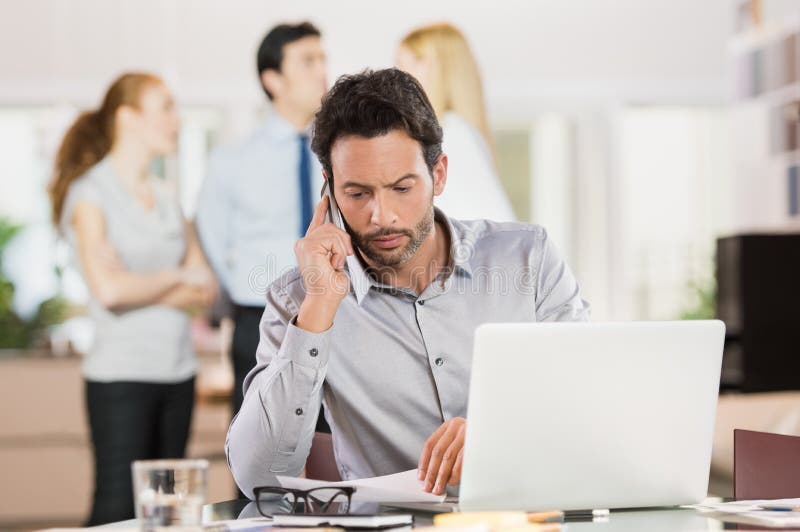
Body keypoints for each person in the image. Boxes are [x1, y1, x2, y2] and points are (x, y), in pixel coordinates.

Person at [225, 68, 589, 499]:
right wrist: (319, 307)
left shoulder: (530, 260)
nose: (382, 216)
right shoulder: (299, 299)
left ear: (439, 175)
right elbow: (259, 479)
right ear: (330, 190)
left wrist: (502, 433)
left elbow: (588, 401)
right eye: (358, 194)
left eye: (401, 187)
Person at [49, 72, 217, 525]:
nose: (177, 120)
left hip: (178, 373)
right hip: (119, 379)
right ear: (127, 117)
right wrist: (174, 277)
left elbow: (203, 287)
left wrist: (140, 283)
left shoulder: (167, 195)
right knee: (116, 509)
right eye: (165, 107)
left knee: (169, 515)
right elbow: (107, 290)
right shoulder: (91, 194)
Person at [196, 22, 329, 423]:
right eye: (307, 61)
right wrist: (251, 285)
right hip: (258, 317)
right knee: (256, 442)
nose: (322, 71)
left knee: (333, 446)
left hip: (332, 311)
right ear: (273, 79)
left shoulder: (337, 156)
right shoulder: (232, 161)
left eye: (323, 59)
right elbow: (214, 241)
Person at [396, 23, 516, 222]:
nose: (397, 77)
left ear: (430, 66)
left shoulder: (453, 135)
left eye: (403, 64)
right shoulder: (458, 133)